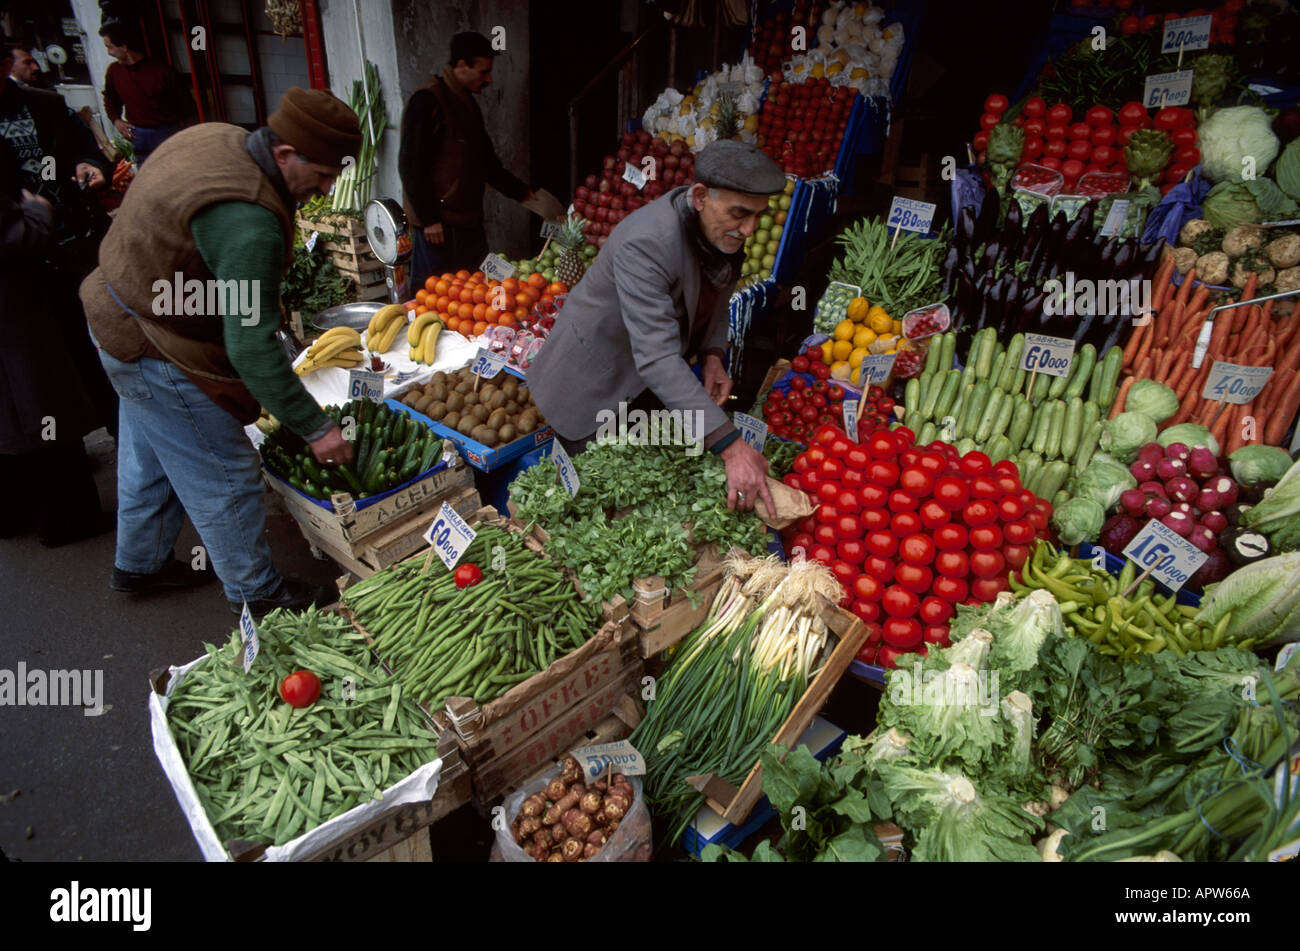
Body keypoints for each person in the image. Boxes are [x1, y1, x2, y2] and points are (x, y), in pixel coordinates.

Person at [80, 87, 360, 615]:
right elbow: (250, 345)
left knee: (150, 456)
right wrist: (316, 427)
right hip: (154, 343)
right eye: (321, 175)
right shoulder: (251, 222)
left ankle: (139, 564)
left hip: (115, 310)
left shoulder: (222, 138)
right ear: (283, 155)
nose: (324, 190)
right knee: (224, 471)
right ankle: (258, 594)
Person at [528, 139, 783, 514]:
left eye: (758, 216)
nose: (749, 229)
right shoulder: (647, 242)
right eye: (740, 214)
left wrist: (714, 353)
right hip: (592, 378)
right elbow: (659, 358)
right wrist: (731, 446)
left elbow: (717, 292)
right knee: (589, 508)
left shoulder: (718, 229)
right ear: (699, 197)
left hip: (642, 381)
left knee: (638, 488)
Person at [0, 40, 117, 546]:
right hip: (19, 275)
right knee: (34, 388)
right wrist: (35, 217)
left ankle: (112, 450)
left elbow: (83, 145)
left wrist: (91, 164)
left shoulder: (42, 104)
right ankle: (55, 514)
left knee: (82, 364)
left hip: (66, 256)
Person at [398, 31, 537, 292]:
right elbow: (410, 163)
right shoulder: (428, 100)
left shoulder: (467, 104)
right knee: (434, 297)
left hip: (469, 223)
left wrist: (522, 192)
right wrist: (428, 219)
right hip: (438, 228)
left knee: (478, 292)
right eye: (483, 72)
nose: (488, 79)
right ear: (461, 65)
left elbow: (487, 163)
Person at [99, 22, 197, 164]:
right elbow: (110, 99)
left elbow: (187, 107)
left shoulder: (162, 71)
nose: (109, 52)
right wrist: (116, 120)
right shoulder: (114, 72)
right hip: (139, 135)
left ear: (124, 47)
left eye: (110, 47)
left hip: (168, 133)